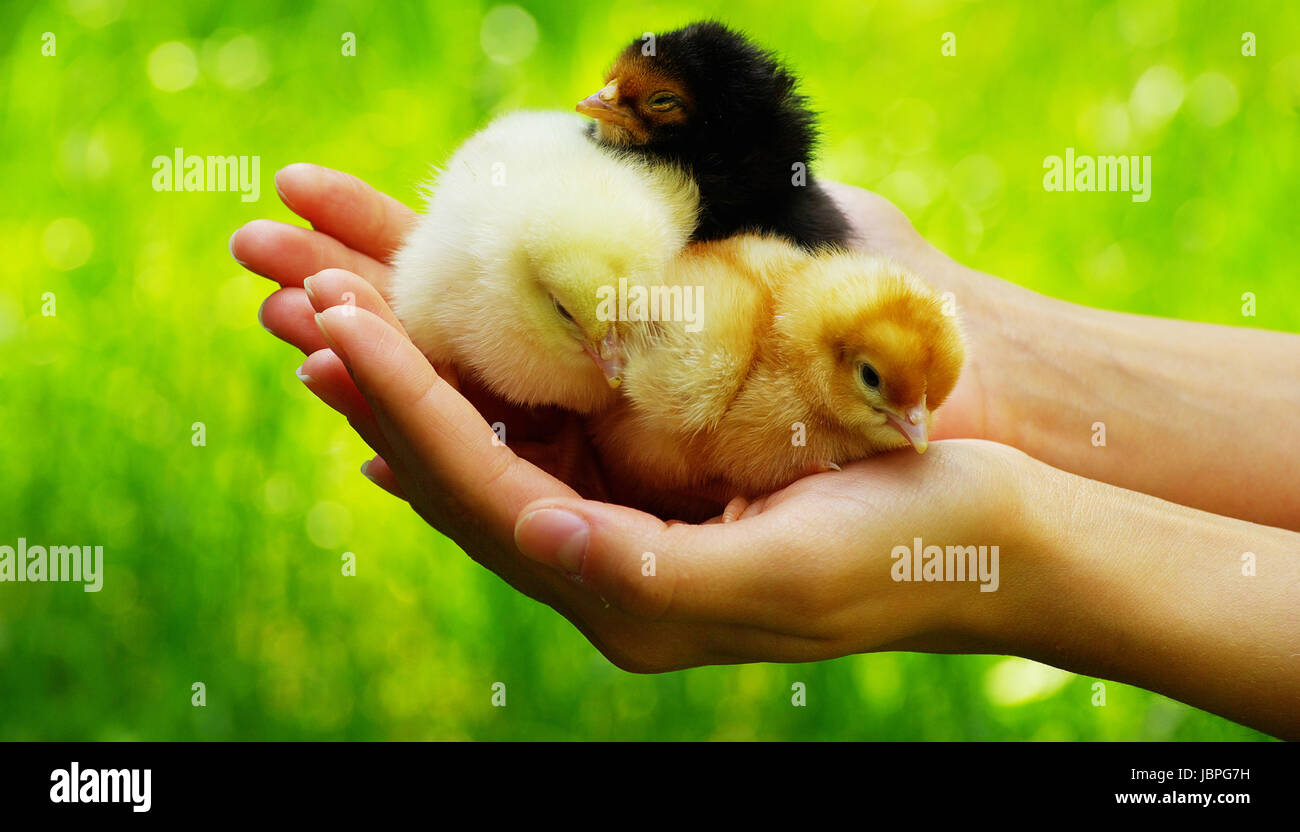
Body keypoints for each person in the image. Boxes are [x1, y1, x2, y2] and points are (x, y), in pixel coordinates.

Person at [230, 164, 1300, 739]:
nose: (919, 436)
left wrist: (1011, 544)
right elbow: (657, 368)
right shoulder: (730, 334)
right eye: (885, 392)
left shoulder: (779, 347)